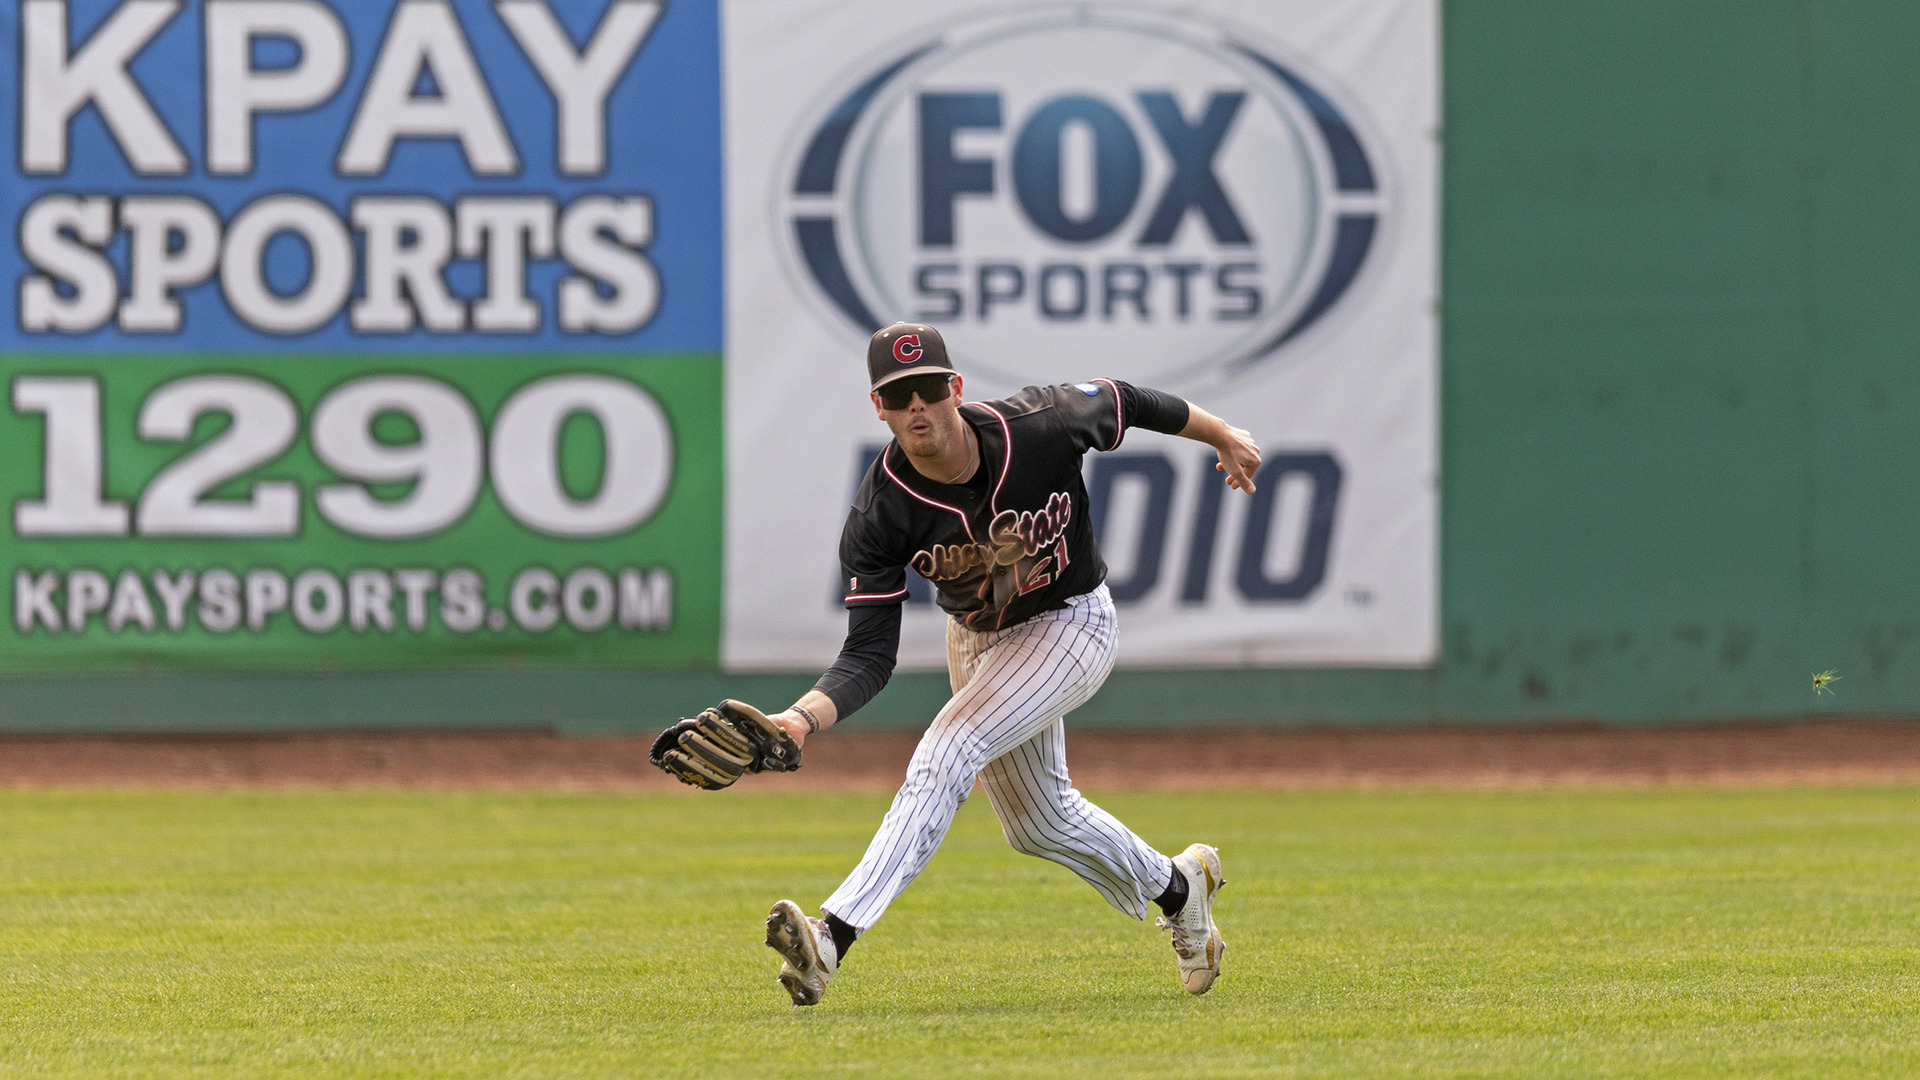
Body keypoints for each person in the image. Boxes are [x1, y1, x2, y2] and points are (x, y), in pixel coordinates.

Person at [759, 322, 1262, 1006]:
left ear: (955, 389)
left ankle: (831, 939)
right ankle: (1181, 888)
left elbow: (1128, 399)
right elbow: (869, 655)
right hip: (979, 640)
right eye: (899, 394)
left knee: (949, 749)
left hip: (1070, 622)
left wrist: (1221, 435)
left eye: (929, 389)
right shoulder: (882, 511)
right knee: (1039, 822)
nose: (917, 407)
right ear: (878, 406)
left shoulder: (1040, 425)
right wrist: (799, 720)